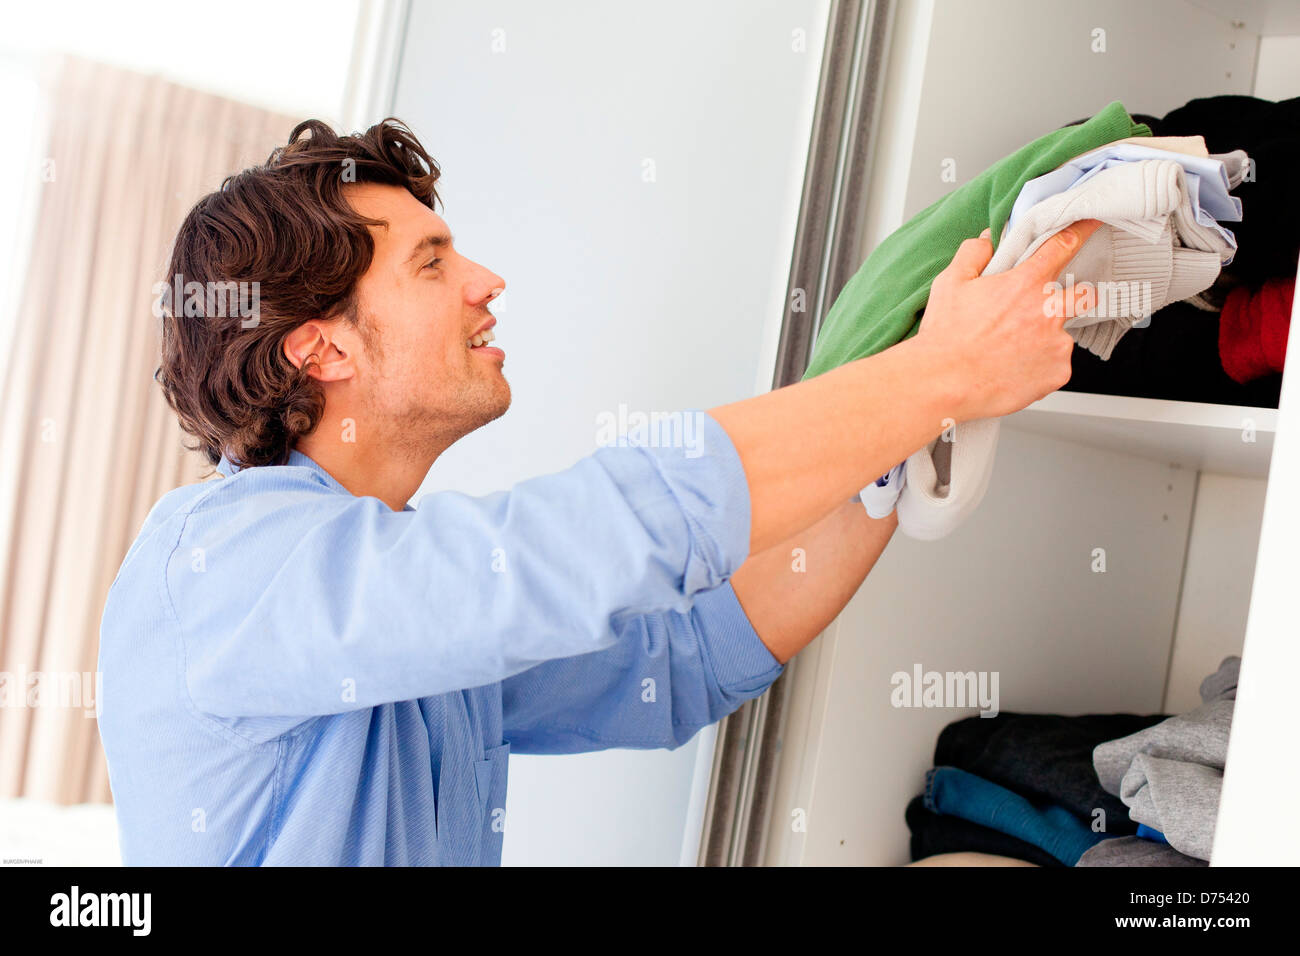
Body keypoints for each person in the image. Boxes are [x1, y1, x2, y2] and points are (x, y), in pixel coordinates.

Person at [97, 118, 1100, 865]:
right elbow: (587, 539)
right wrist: (936, 375)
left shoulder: (397, 599)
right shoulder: (218, 567)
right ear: (321, 347)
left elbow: (688, 654)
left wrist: (888, 461)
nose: (486, 279)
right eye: (432, 262)